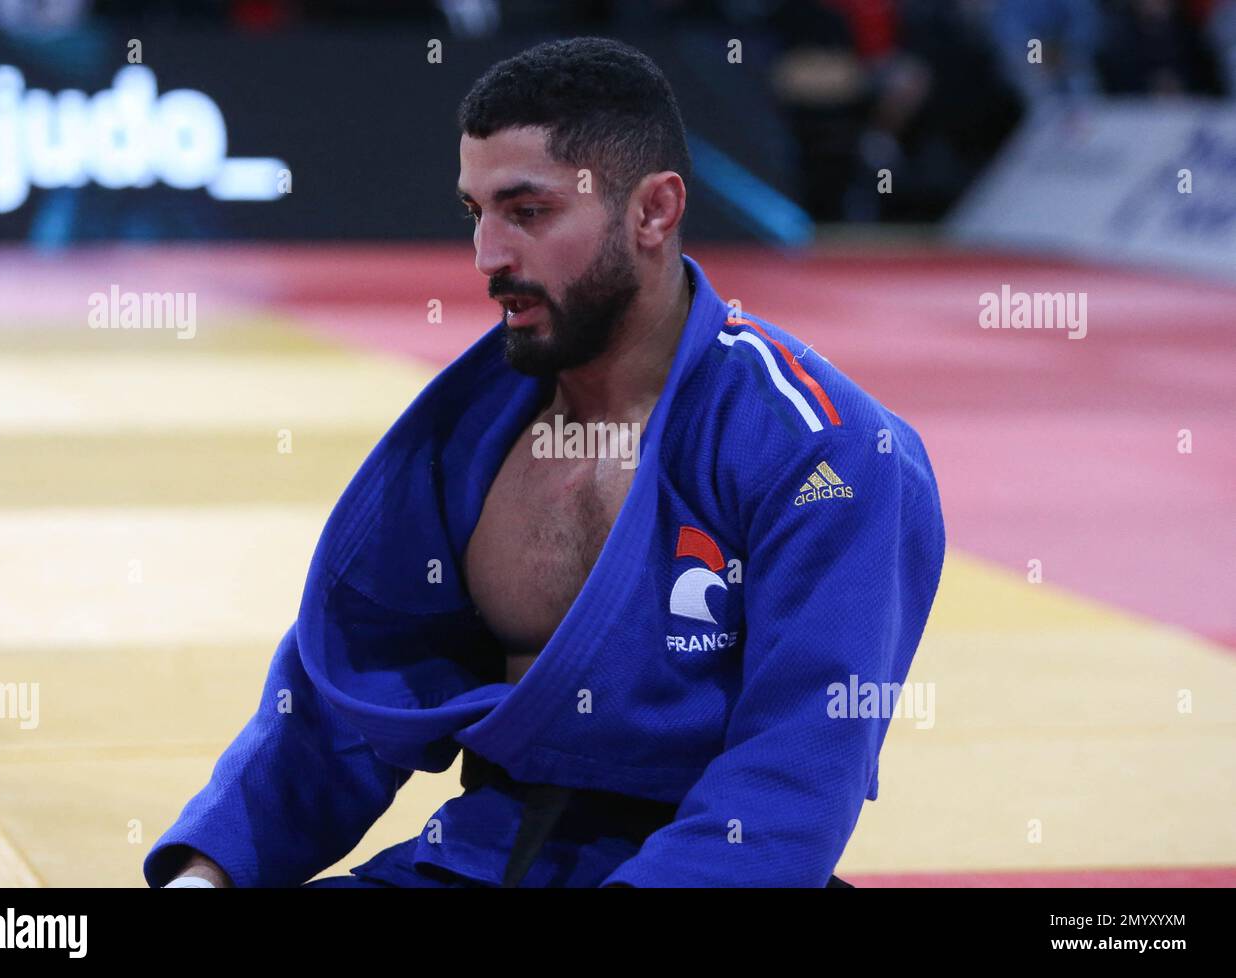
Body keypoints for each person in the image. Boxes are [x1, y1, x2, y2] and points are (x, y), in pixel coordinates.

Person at [146, 36, 945, 889]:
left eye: (527, 212)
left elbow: (792, 784)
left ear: (653, 212)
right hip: (482, 860)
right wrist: (210, 872)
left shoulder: (822, 450)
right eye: (475, 213)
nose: (488, 255)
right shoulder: (470, 431)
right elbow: (347, 697)